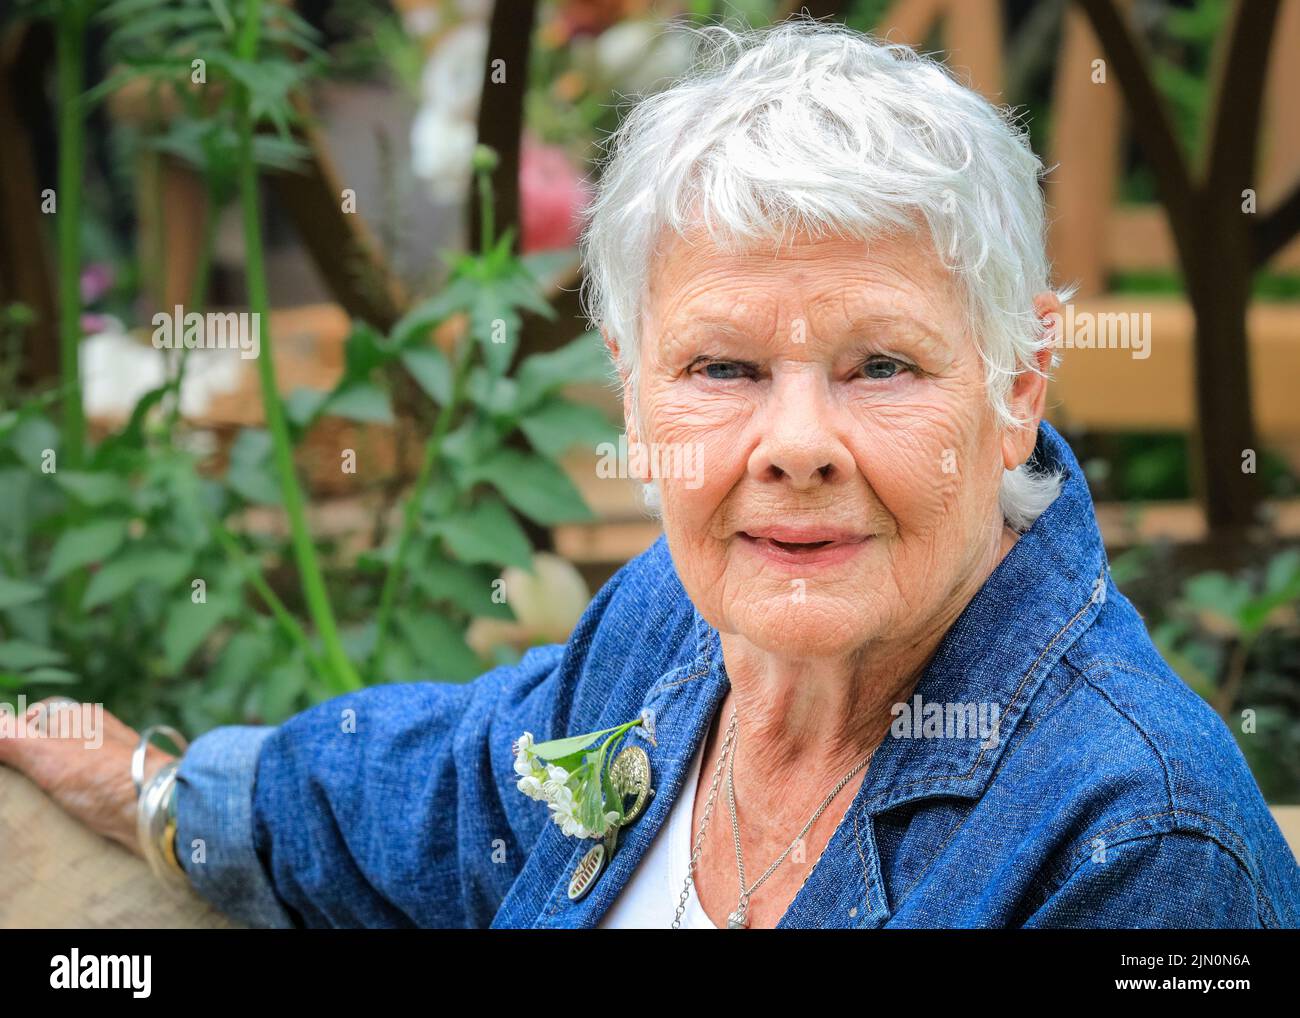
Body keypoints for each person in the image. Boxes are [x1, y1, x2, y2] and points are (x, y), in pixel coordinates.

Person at [3, 17, 1298, 929]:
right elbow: (439, 789)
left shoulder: (1137, 842)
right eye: (724, 369)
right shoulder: (666, 627)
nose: (798, 442)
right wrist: (152, 790)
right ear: (630, 384)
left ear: (1019, 388)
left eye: (882, 366)